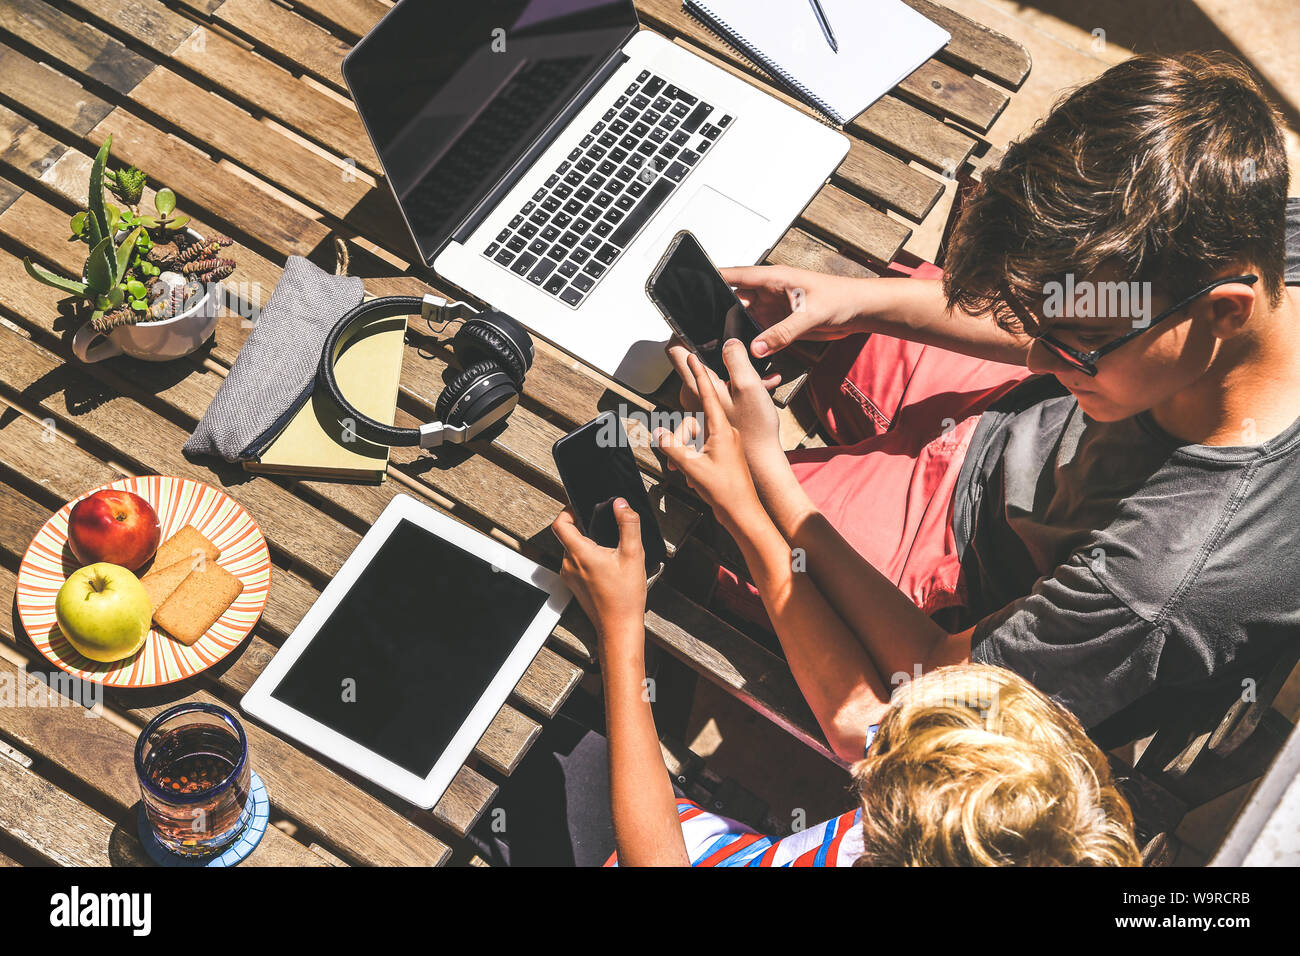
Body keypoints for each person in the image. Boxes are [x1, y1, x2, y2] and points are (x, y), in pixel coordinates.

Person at [661, 51, 1300, 755]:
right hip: (1015, 424)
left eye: (1079, 343)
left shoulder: (1158, 582)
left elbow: (928, 681)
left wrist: (762, 474)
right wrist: (865, 305)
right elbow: (1066, 316)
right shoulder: (1245, 241)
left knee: (679, 501)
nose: (1044, 357)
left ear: (1223, 312)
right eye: (1039, 322)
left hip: (961, 558)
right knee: (803, 313)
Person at [468, 500, 1139, 866]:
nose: (874, 753)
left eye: (878, 780)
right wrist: (747, 503)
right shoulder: (967, 815)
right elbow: (861, 725)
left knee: (471, 761)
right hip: (704, 834)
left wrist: (623, 635)